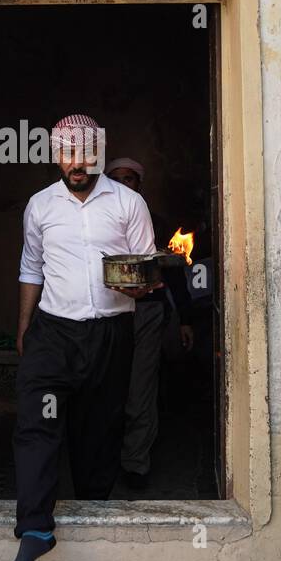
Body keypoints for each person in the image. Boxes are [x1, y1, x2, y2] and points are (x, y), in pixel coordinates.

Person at [5, 115, 157, 561]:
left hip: (110, 333)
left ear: (100, 155)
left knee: (98, 428)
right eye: (69, 154)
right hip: (53, 332)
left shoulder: (128, 202)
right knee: (37, 418)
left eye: (87, 155)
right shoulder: (40, 206)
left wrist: (139, 287)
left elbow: (147, 267)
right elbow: (31, 266)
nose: (78, 163)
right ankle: (35, 528)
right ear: (55, 155)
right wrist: (24, 325)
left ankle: (94, 508)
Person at [105, 156, 194, 490]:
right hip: (107, 311)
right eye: (116, 178)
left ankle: (135, 463)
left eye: (129, 178)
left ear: (139, 184)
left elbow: (176, 275)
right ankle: (101, 459)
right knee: (106, 385)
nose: (123, 184)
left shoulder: (155, 221)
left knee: (140, 388)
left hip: (147, 312)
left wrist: (184, 319)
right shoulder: (96, 219)